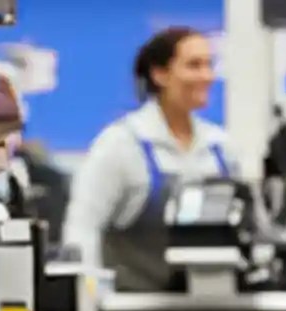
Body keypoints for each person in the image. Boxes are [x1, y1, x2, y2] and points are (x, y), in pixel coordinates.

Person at [62, 26, 238, 292]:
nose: (207, 76)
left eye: (208, 65)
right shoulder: (121, 144)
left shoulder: (220, 147)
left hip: (210, 308)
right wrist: (93, 300)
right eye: (193, 65)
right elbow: (82, 229)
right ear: (160, 74)